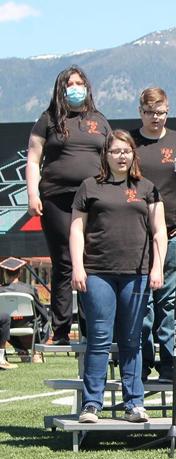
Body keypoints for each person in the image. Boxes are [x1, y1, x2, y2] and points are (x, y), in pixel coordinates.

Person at [70, 130, 166, 424]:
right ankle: (92, 405)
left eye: (126, 151)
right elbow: (76, 229)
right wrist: (77, 266)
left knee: (132, 339)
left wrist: (157, 267)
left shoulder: (147, 188)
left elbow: (159, 231)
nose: (121, 156)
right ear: (106, 155)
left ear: (133, 155)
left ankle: (134, 403)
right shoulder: (89, 187)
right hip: (98, 272)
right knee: (99, 337)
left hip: (136, 275)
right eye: (115, 151)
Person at [26, 65, 111, 345]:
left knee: (92, 262)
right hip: (57, 199)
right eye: (70, 84)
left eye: (80, 83)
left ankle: (92, 330)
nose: (75, 88)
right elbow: (33, 158)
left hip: (94, 200)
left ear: (87, 87)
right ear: (61, 89)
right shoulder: (48, 119)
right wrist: (32, 194)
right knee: (64, 262)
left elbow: (113, 157)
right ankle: (61, 331)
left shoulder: (99, 120)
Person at [131, 87, 176, 383]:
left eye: (160, 113)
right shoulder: (130, 143)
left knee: (169, 305)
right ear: (140, 112)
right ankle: (143, 361)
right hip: (136, 237)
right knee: (141, 304)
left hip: (172, 235)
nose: (155, 118)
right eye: (149, 113)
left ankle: (169, 362)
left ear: (168, 111)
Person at [0, 257, 50, 367]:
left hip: (10, 327)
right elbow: (41, 311)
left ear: (4, 272)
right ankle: (36, 350)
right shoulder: (29, 290)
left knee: (6, 324)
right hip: (30, 325)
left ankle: (21, 350)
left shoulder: (1, 291)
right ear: (20, 272)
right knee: (46, 320)